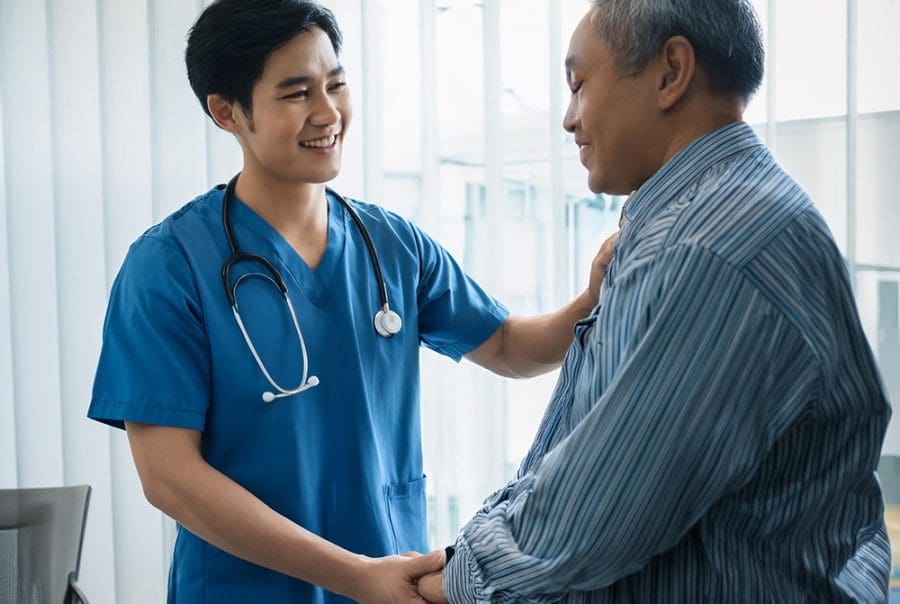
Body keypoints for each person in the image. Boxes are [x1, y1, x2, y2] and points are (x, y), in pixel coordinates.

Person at [86, 0, 616, 602]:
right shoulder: (169, 265)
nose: (328, 112)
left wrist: (592, 296)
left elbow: (506, 345)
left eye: (336, 84)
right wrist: (352, 576)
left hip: (388, 584)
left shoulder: (391, 245)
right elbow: (169, 478)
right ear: (226, 112)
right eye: (295, 93)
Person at [415, 0, 893, 601]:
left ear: (671, 72)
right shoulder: (692, 222)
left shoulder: (716, 245)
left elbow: (592, 515)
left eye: (579, 84)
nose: (569, 118)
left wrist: (448, 579)